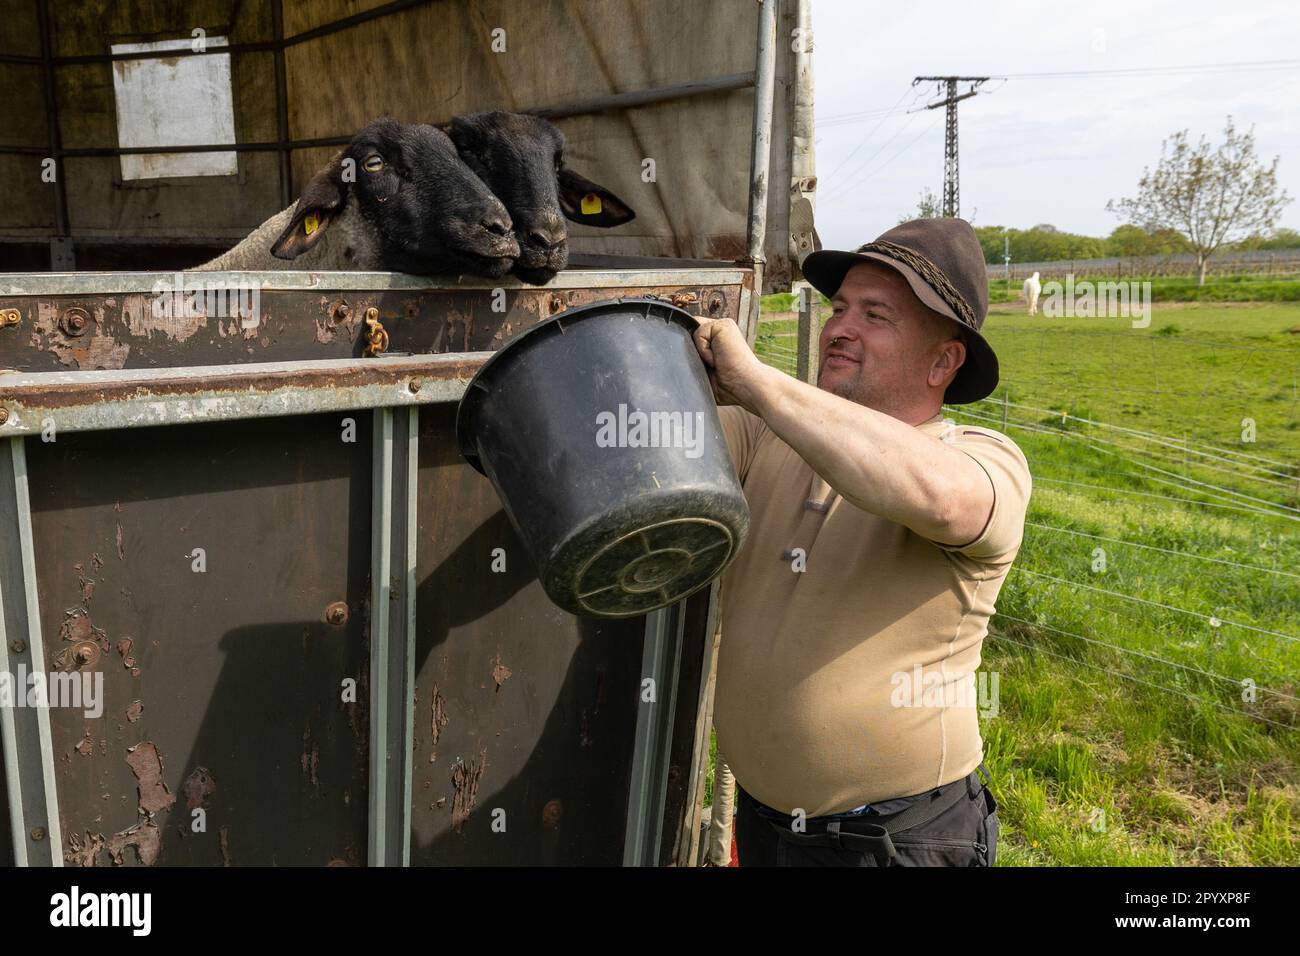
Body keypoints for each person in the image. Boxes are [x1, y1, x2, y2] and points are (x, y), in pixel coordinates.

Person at [691, 218, 1031, 867]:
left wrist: (758, 382)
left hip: (895, 841)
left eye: (876, 315)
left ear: (943, 360)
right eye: (840, 307)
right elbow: (660, 438)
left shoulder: (983, 459)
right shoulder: (769, 436)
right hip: (767, 827)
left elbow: (944, 500)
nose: (840, 326)